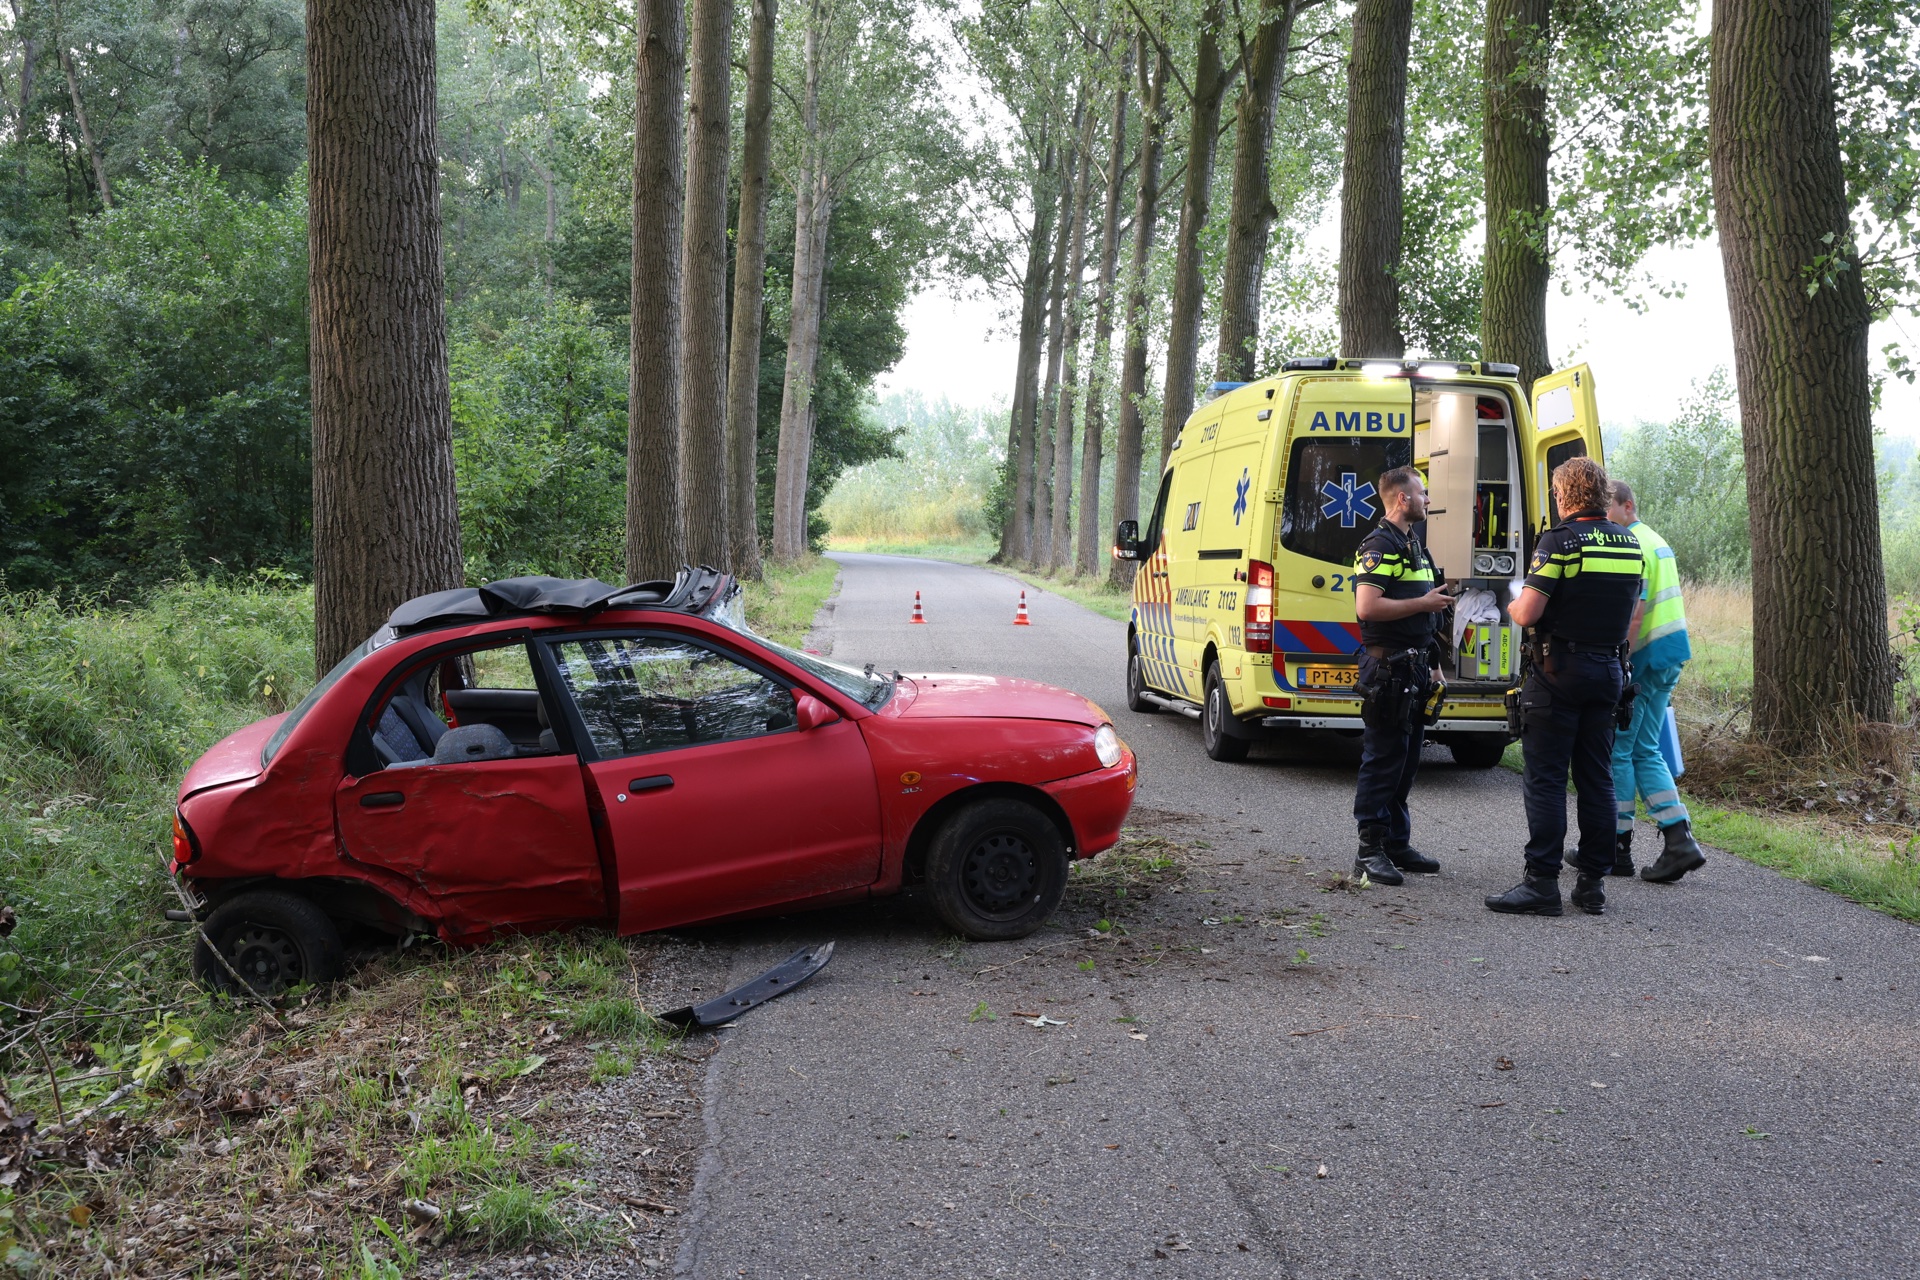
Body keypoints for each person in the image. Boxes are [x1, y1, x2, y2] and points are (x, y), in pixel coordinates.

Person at [1487, 457, 1642, 917]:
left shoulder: (1560, 541)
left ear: (1563, 495)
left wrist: (1515, 599)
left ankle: (1541, 884)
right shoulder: (1628, 543)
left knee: (1548, 779)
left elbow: (1529, 612)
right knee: (1597, 778)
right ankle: (1593, 883)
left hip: (1558, 674)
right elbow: (1630, 611)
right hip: (1609, 672)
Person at [1351, 466, 1454, 886]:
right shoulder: (1379, 545)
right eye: (1423, 492)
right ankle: (1368, 851)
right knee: (1383, 760)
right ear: (1402, 499)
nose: (1428, 499)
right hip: (1388, 668)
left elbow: (1427, 611)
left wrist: (1434, 663)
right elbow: (1367, 607)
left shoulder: (1414, 545)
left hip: (1414, 667)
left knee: (1408, 761)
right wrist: (1423, 605)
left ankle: (1396, 843)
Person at [1607, 480, 1705, 883]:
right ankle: (1678, 839)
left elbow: (1634, 613)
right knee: (1646, 749)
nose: (1602, 517)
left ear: (1627, 506)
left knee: (1621, 750)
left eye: (1607, 508)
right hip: (1669, 652)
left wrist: (1622, 664)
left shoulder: (1633, 544)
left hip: (1644, 656)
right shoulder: (1655, 539)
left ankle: (1616, 846)